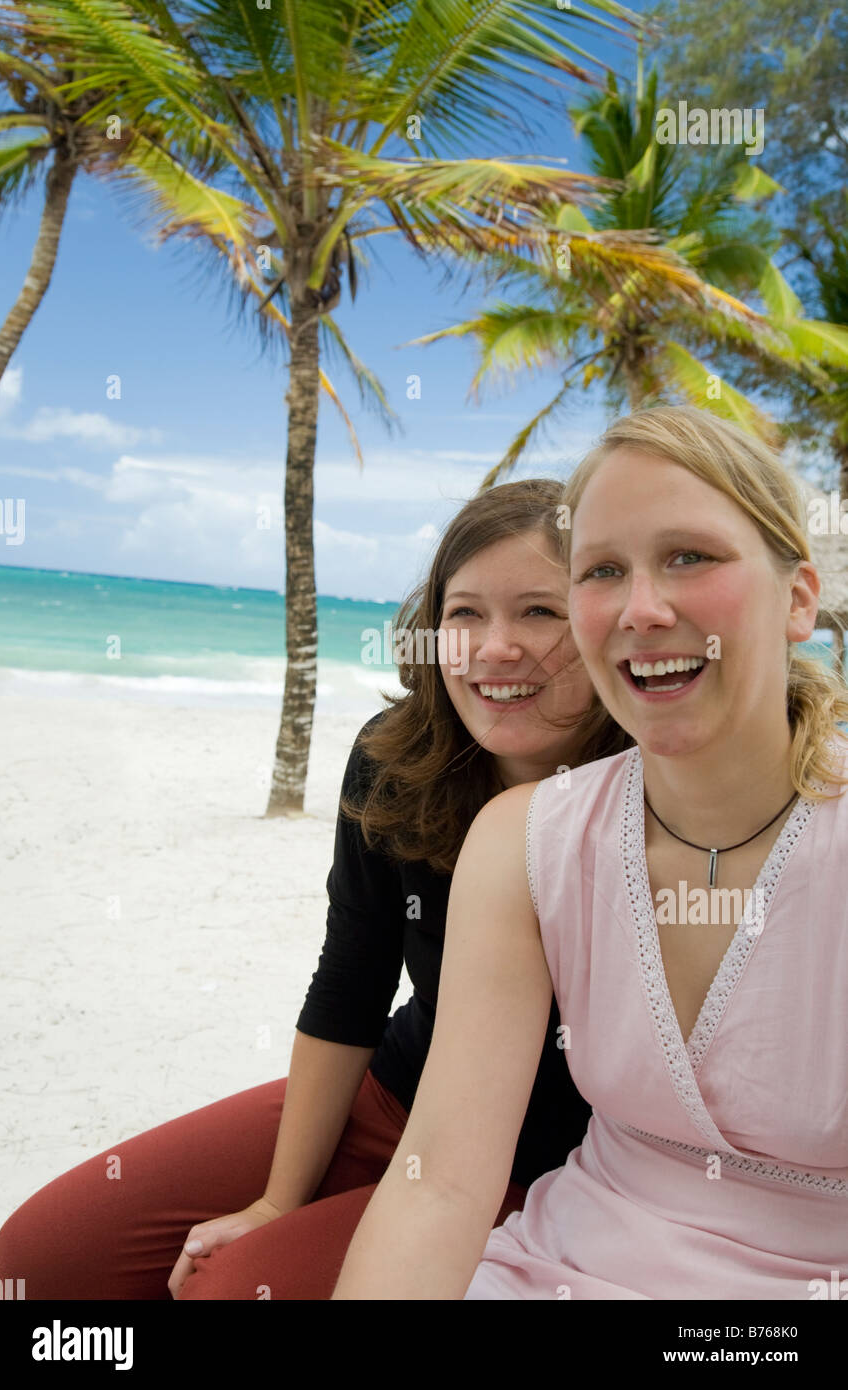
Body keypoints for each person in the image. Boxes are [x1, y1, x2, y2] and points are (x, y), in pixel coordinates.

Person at [0, 478, 632, 1301]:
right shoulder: (402, 759)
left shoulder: (655, 801)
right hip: (400, 1092)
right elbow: (351, 979)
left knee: (231, 1294)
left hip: (548, 1168)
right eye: (465, 614)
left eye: (539, 612)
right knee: (40, 1261)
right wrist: (277, 1200)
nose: (494, 647)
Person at [332, 404, 848, 1301]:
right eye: (603, 570)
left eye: (690, 556)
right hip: (556, 1265)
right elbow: (446, 1183)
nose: (643, 609)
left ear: (798, 597)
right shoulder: (530, 839)